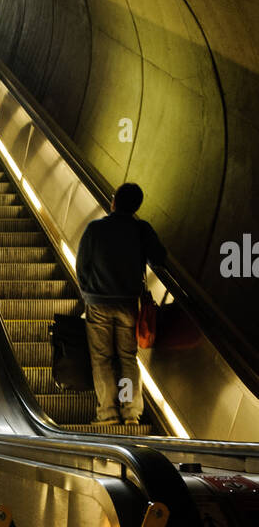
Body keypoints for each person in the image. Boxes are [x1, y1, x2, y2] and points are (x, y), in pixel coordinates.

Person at [76, 182, 167, 425]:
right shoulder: (141, 229)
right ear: (137, 205)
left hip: (98, 303)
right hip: (128, 303)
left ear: (114, 201)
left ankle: (107, 413)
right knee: (128, 358)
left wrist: (88, 293)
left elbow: (82, 265)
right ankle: (131, 414)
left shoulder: (95, 229)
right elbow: (159, 258)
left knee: (102, 359)